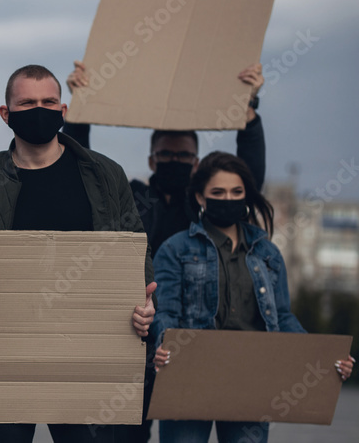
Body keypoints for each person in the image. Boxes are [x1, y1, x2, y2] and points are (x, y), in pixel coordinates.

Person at [0, 64, 156, 443]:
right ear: (6, 114)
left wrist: (144, 302)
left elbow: (133, 249)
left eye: (49, 102)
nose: (40, 110)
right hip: (0, 359)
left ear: (63, 111)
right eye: (28, 103)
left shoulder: (104, 175)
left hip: (88, 354)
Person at [64, 60, 267, 442]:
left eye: (184, 156)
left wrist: (250, 114)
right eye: (167, 155)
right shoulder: (129, 199)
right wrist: (79, 109)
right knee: (122, 435)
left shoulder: (206, 210)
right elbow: (82, 173)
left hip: (188, 343)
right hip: (129, 338)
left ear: (196, 164)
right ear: (152, 160)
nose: (175, 161)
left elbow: (248, 178)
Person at [151, 151, 354, 442]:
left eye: (237, 192)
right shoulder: (175, 249)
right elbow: (165, 312)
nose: (228, 198)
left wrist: (322, 357)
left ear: (246, 195)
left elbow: (282, 317)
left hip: (252, 379)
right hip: (191, 374)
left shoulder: (267, 252)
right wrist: (163, 343)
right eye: (218, 192)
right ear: (199, 197)